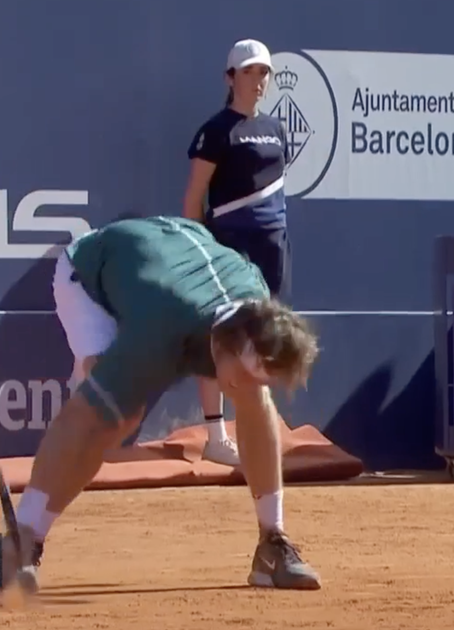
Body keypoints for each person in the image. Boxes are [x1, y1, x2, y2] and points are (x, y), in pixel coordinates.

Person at [0, 216, 322, 597]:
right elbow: (76, 419)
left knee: (256, 401)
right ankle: (26, 537)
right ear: (225, 347)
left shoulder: (257, 313)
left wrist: (252, 383)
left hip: (173, 251)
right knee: (108, 419)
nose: (251, 385)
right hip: (92, 276)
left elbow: (251, 378)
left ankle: (273, 541)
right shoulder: (159, 331)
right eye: (247, 374)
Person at [182, 39, 292, 467]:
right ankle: (215, 436)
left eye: (263, 72)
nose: (258, 80)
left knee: (265, 336)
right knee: (221, 336)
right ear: (230, 78)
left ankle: (258, 429)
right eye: (248, 72)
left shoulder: (279, 129)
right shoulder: (216, 130)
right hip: (228, 247)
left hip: (273, 246)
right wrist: (200, 247)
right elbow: (194, 196)